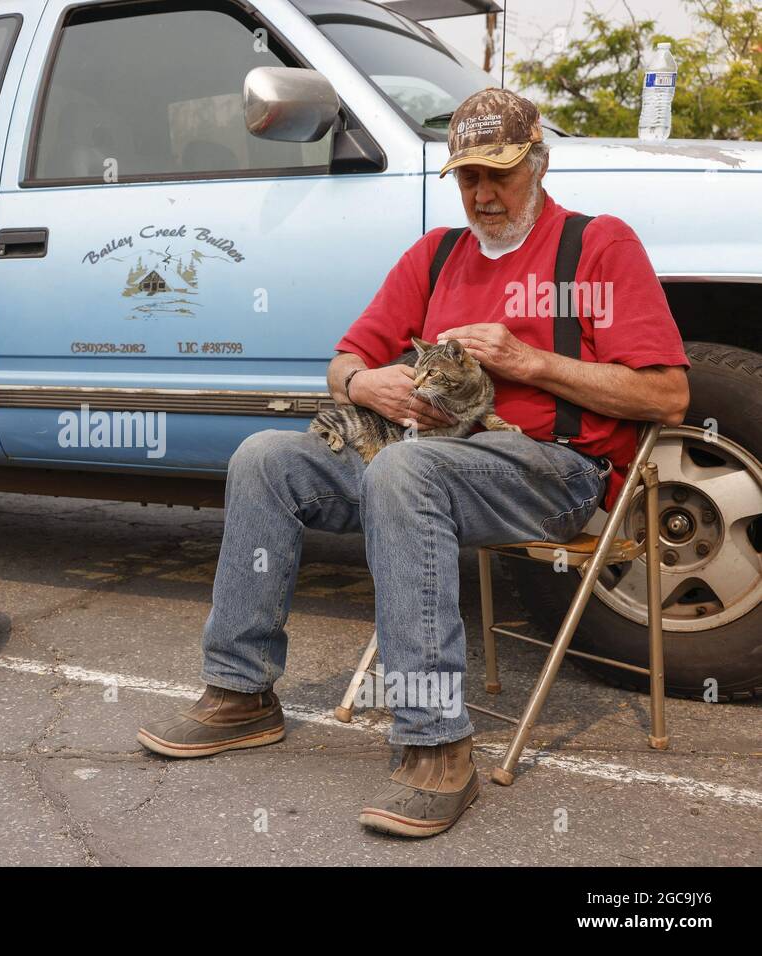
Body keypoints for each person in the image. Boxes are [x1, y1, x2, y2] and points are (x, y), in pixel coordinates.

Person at [136, 88, 691, 837]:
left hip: (557, 472)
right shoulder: (435, 256)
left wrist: (532, 361)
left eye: (500, 174)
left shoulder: (596, 246)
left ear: (539, 162)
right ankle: (242, 694)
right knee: (265, 456)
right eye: (468, 177)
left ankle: (434, 742)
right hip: (430, 463)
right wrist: (369, 382)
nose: (483, 194)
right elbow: (342, 362)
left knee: (404, 471)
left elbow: (668, 396)